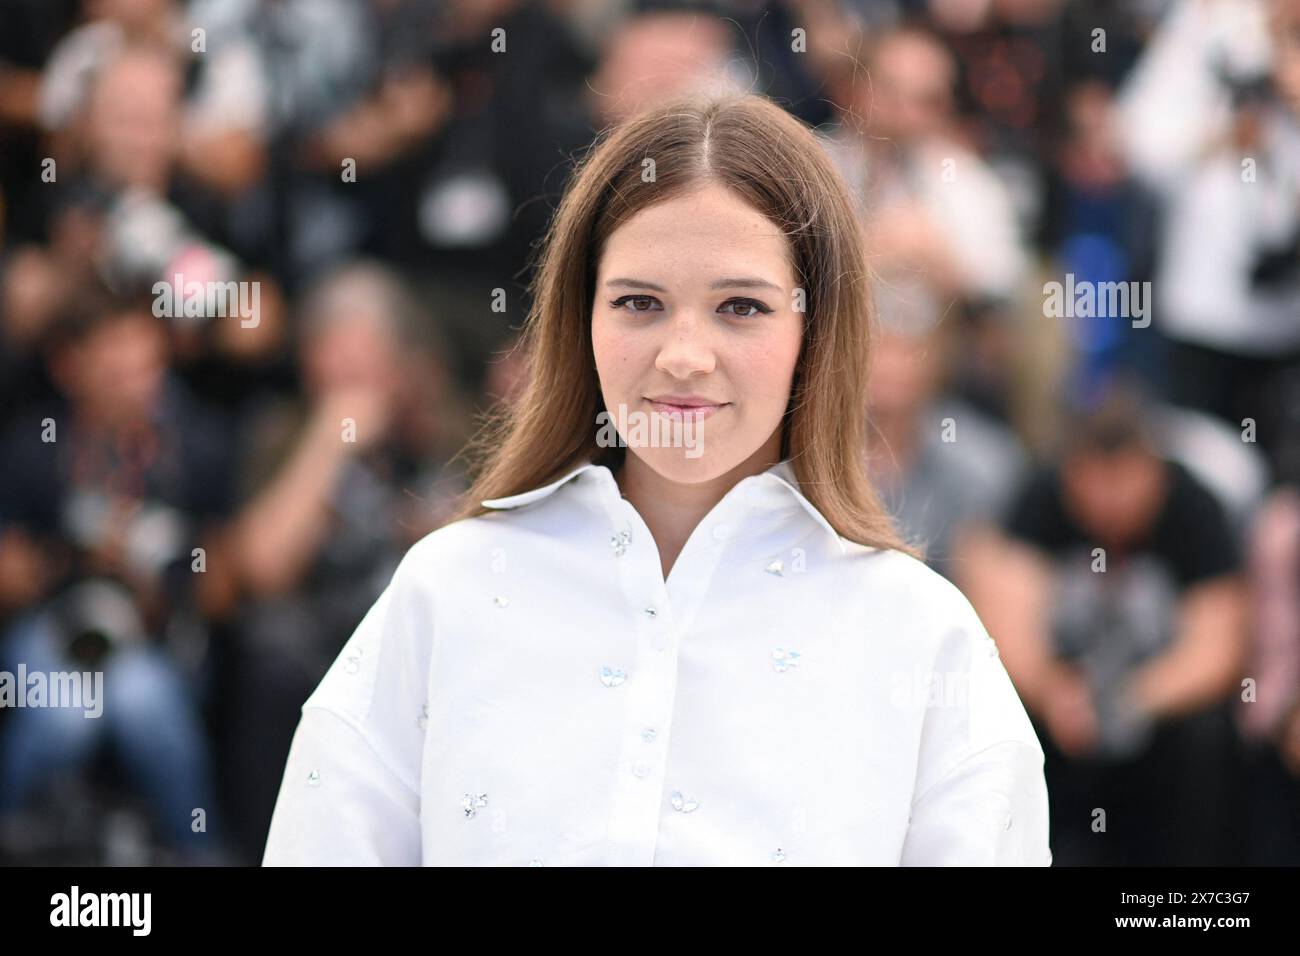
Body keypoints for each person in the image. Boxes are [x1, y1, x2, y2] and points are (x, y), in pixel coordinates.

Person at [261, 91, 1050, 867]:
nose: (683, 356)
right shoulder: (447, 589)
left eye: (740, 307)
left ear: (818, 328)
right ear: (582, 316)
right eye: (640, 302)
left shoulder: (921, 636)